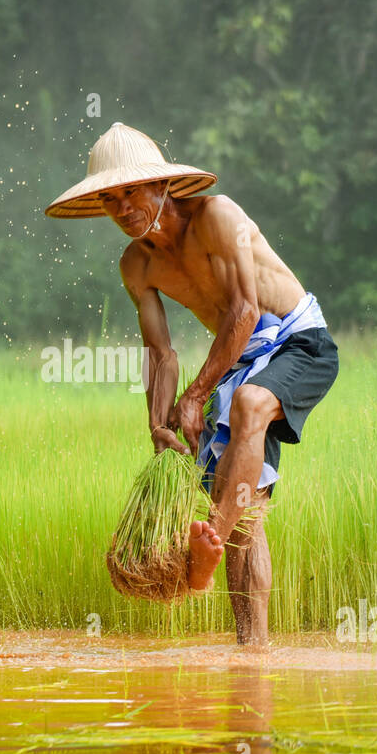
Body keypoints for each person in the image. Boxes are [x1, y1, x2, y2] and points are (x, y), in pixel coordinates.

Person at [45, 122, 338, 644]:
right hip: (235, 362)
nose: (123, 207)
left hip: (297, 341)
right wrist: (159, 426)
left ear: (162, 186)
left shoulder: (216, 217)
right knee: (245, 511)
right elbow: (160, 352)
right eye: (109, 198)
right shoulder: (136, 265)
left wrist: (197, 395)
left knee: (249, 404)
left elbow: (245, 312)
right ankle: (254, 651)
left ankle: (205, 552)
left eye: (131, 190)